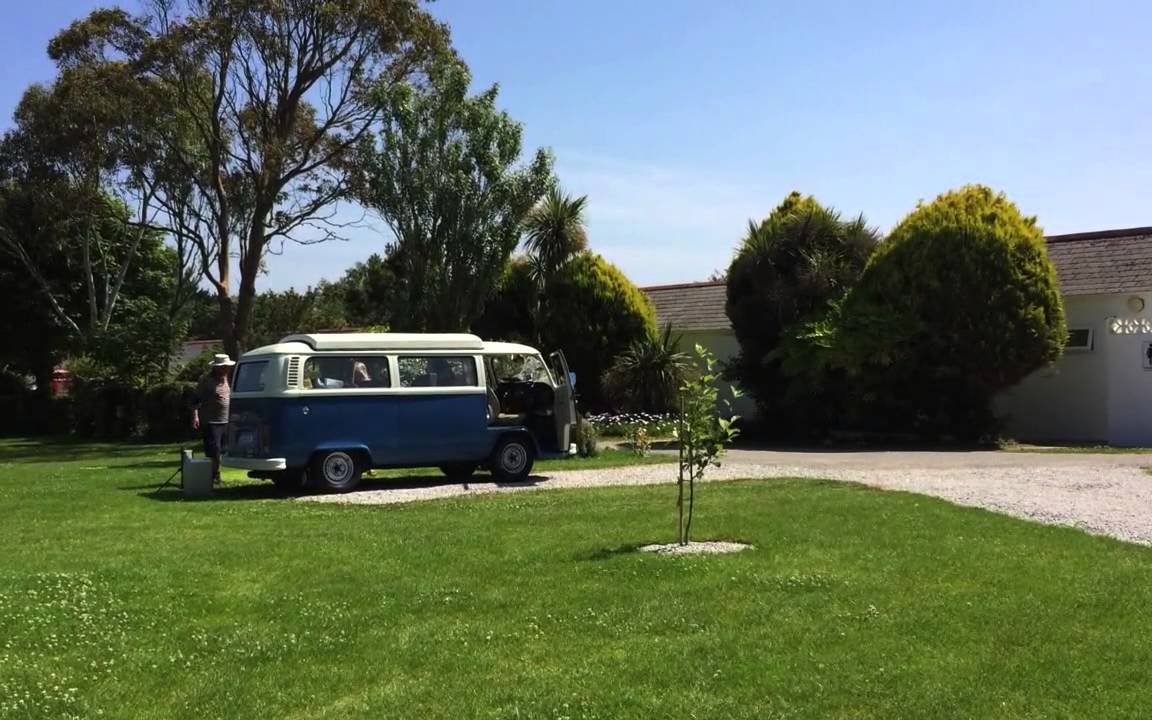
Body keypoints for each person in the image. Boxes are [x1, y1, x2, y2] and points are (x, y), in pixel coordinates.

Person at [192, 354, 235, 485]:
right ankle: (213, 476)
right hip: (211, 421)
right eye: (224, 367)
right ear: (217, 368)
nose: (226, 369)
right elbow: (196, 399)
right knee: (214, 450)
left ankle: (216, 475)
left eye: (227, 367)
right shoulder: (206, 381)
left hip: (226, 420)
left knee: (222, 450)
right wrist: (195, 415)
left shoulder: (227, 379)